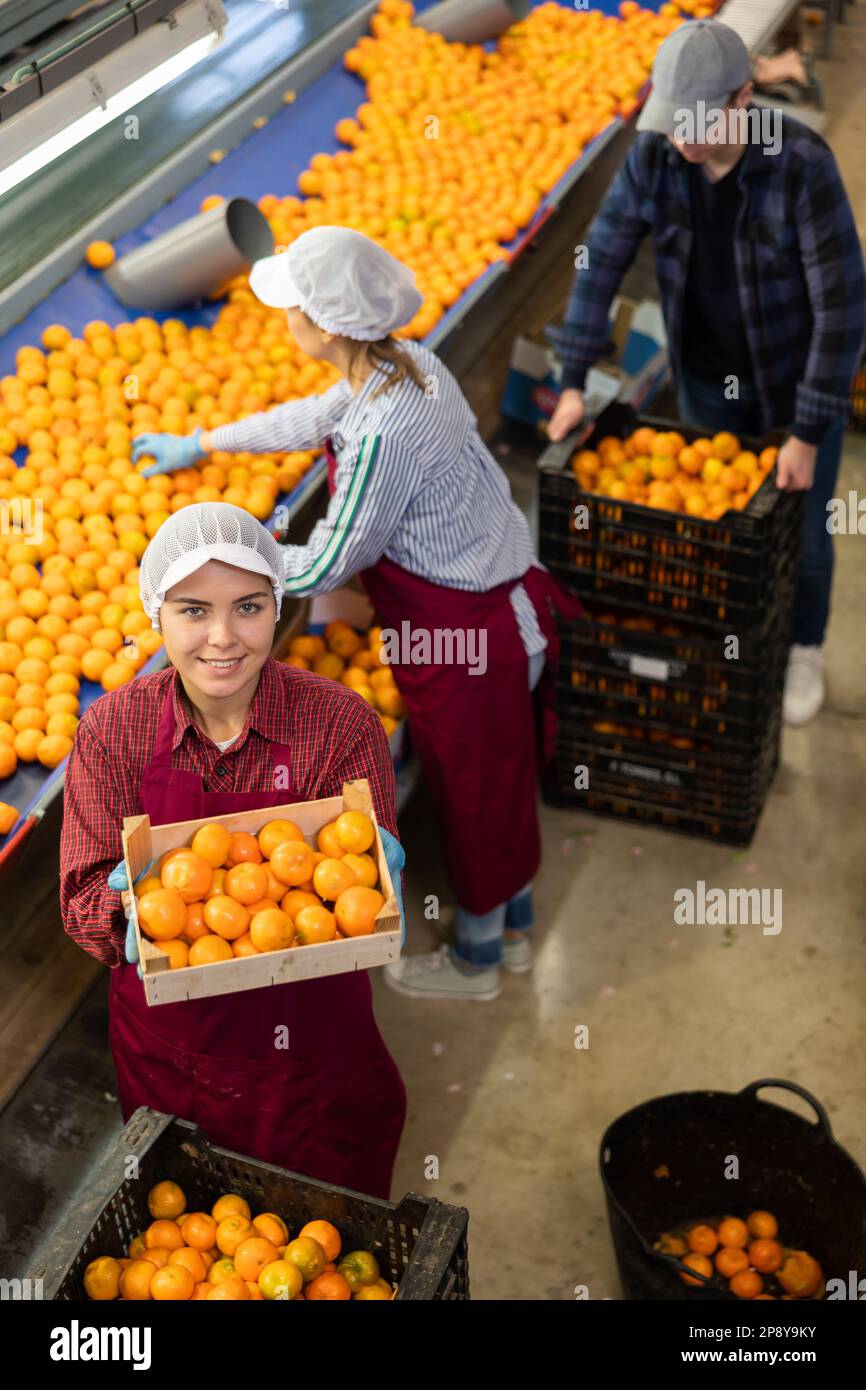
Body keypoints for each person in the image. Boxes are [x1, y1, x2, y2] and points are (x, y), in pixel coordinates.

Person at [129, 226, 584, 1003]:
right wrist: (202, 442)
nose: (286, 319)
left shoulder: (381, 433)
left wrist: (223, 575)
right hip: (496, 603)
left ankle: (478, 962)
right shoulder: (407, 367)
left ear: (330, 324)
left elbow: (334, 557)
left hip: (469, 634)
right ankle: (510, 928)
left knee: (475, 792)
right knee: (499, 780)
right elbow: (313, 419)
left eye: (294, 307)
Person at [59, 502, 406, 1199]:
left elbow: (359, 881)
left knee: (321, 1218)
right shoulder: (112, 732)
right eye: (193, 610)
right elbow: (79, 897)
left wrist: (379, 862)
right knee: (183, 1221)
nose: (222, 638)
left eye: (247, 606)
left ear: (277, 607)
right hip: (171, 1044)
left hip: (311, 1041)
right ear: (157, 614)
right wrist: (123, 909)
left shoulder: (339, 723)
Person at [546, 19, 866, 726]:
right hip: (706, 379)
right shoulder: (656, 156)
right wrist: (572, 378)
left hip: (794, 383)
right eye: (672, 119)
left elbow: (842, 308)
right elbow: (601, 258)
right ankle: (741, 646)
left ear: (744, 98)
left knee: (807, 531)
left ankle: (804, 648)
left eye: (697, 121)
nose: (682, 138)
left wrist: (809, 432)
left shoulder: (800, 163)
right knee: (720, 524)